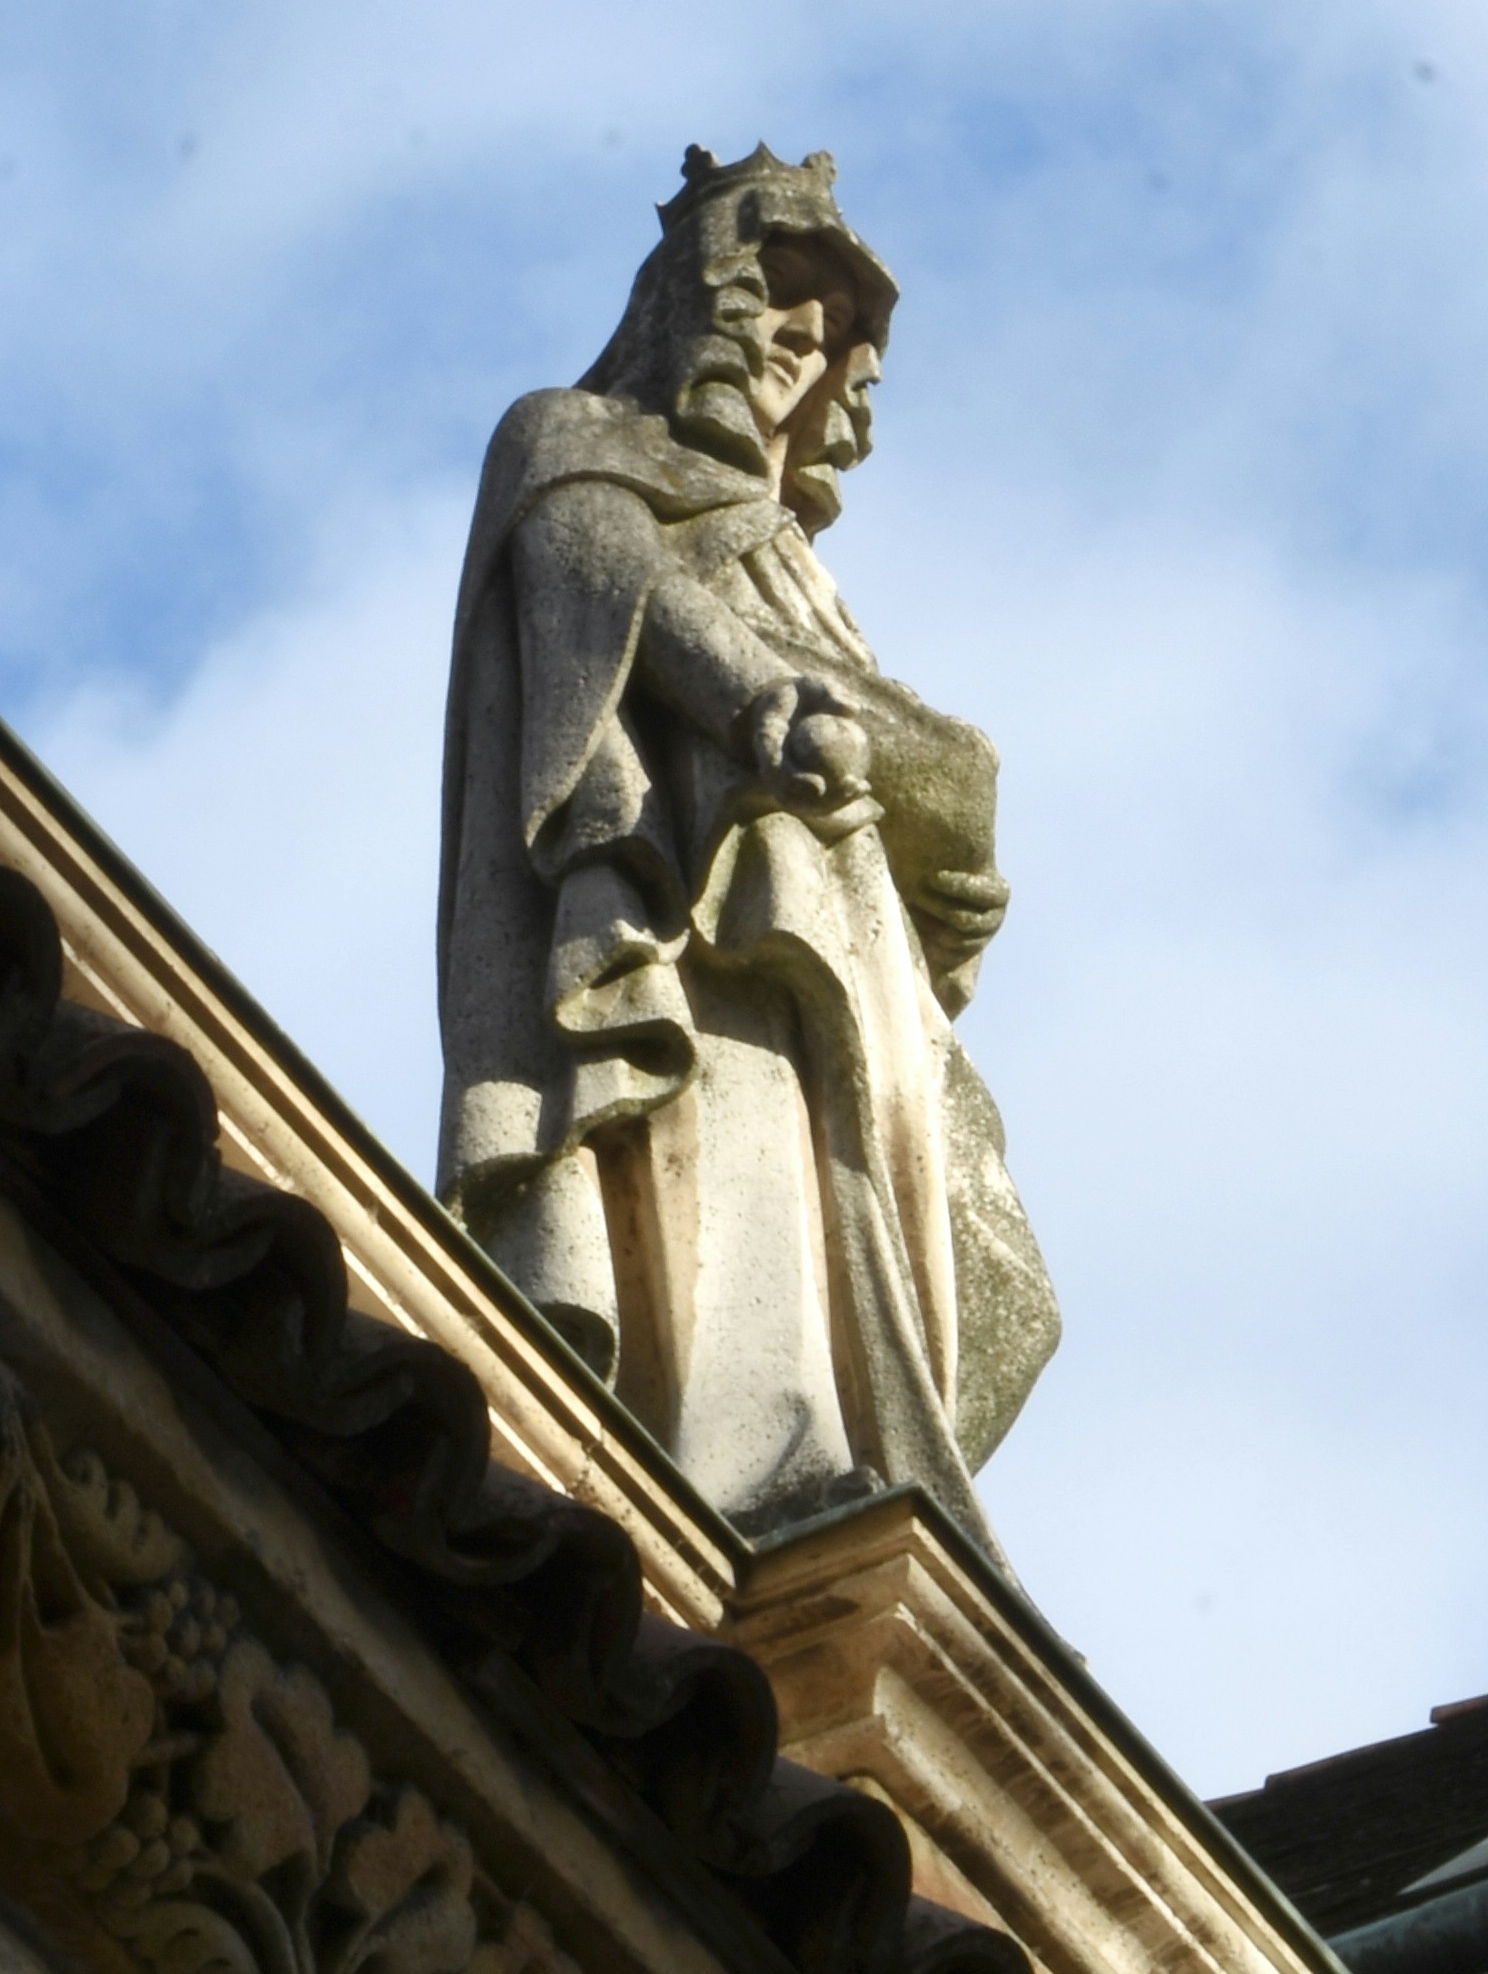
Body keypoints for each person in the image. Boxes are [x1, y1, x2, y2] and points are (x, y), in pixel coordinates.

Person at [435, 149, 1053, 1533]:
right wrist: (759, 696)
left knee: (922, 1219)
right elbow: (610, 576)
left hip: (846, 935)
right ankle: (751, 1445)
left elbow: (889, 763)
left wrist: (952, 871)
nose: (799, 341)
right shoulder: (572, 439)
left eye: (831, 333)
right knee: (741, 1152)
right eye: (772, 297)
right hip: (689, 914)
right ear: (695, 305)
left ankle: (848, 1454)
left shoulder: (801, 566)